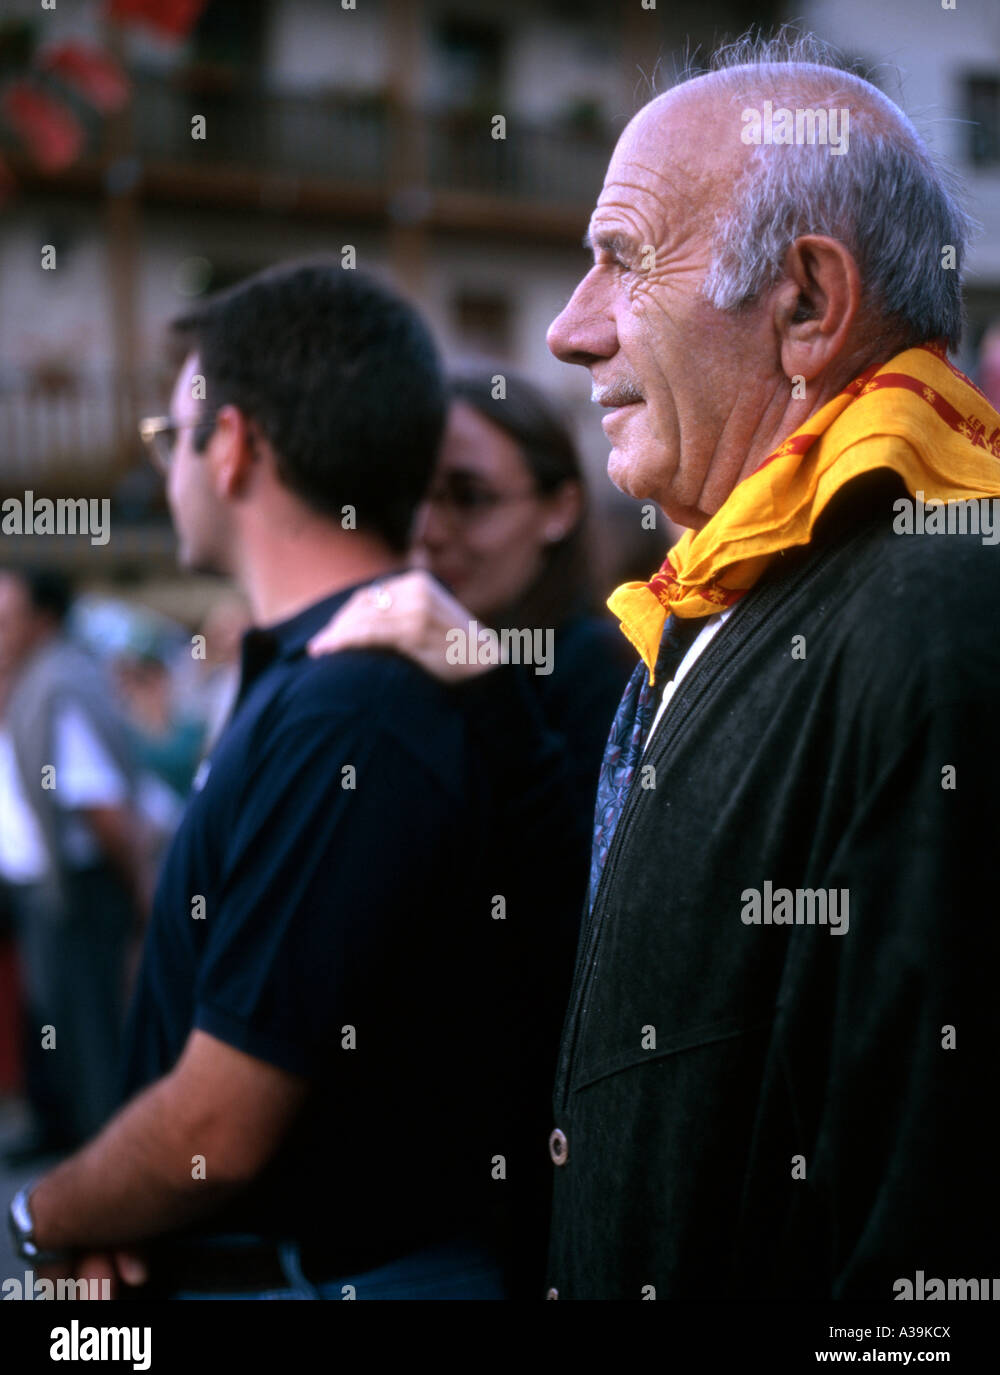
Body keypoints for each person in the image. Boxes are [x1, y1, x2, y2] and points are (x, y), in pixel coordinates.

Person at [317, 31, 1000, 1299]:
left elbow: (933, 1236)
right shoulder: (736, 589)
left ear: (805, 303)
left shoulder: (938, 608)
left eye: (621, 261)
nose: (570, 332)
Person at [7, 260, 579, 1300]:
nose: (165, 464)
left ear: (231, 446)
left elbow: (218, 1129)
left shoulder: (349, 709)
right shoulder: (315, 682)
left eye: (168, 436)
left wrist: (42, 1214)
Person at [411, 370, 635, 821]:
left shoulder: (595, 666)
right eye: (415, 497)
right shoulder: (399, 658)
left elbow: (583, 872)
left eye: (470, 498)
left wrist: (492, 693)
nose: (428, 531)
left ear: (560, 509)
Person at [0, 568, 146, 1164]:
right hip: (40, 887)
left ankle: (107, 1160)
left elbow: (100, 804)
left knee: (85, 1028)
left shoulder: (60, 685)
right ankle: (61, 1132)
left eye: (5, 618)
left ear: (44, 621)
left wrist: (142, 891)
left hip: (79, 891)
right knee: (50, 1017)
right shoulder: (31, 680)